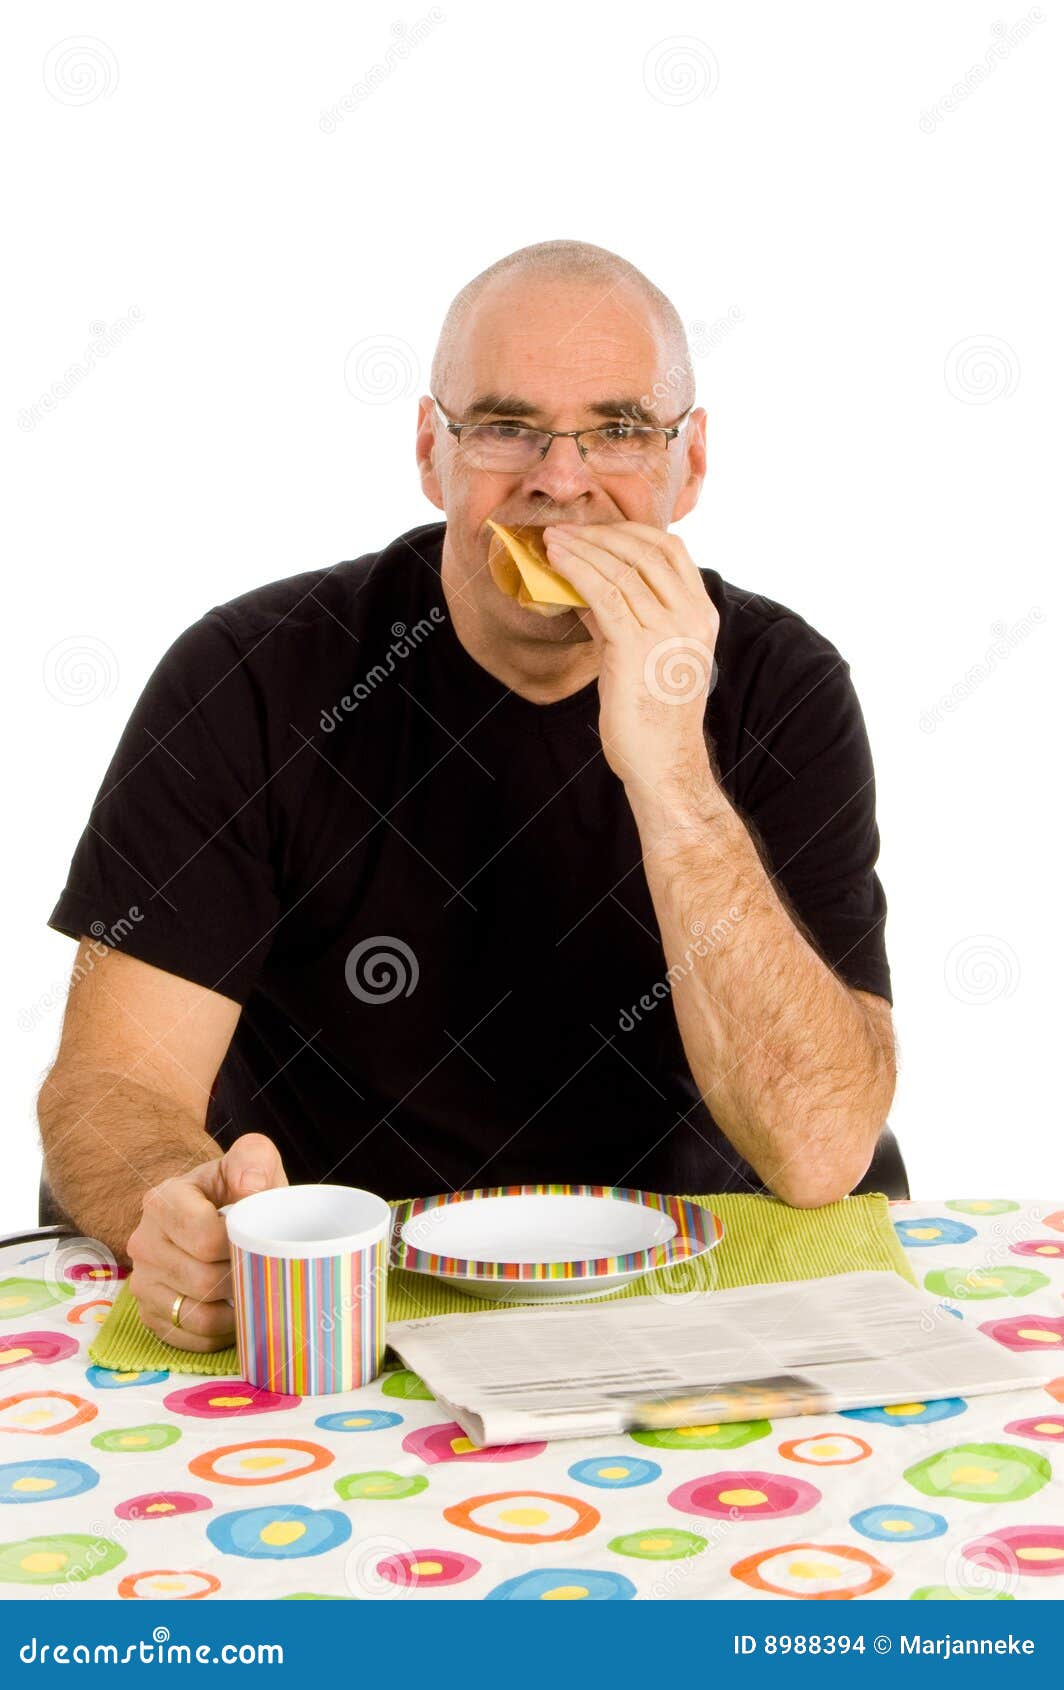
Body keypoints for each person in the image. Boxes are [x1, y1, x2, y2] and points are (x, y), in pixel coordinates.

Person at [38, 240, 896, 1352]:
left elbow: (819, 1148)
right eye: (504, 425)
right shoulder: (250, 677)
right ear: (429, 455)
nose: (559, 476)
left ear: (688, 469)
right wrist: (172, 1201)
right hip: (340, 1315)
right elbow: (109, 1082)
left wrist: (669, 767)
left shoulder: (783, 685)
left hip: (701, 1311)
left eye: (620, 428)